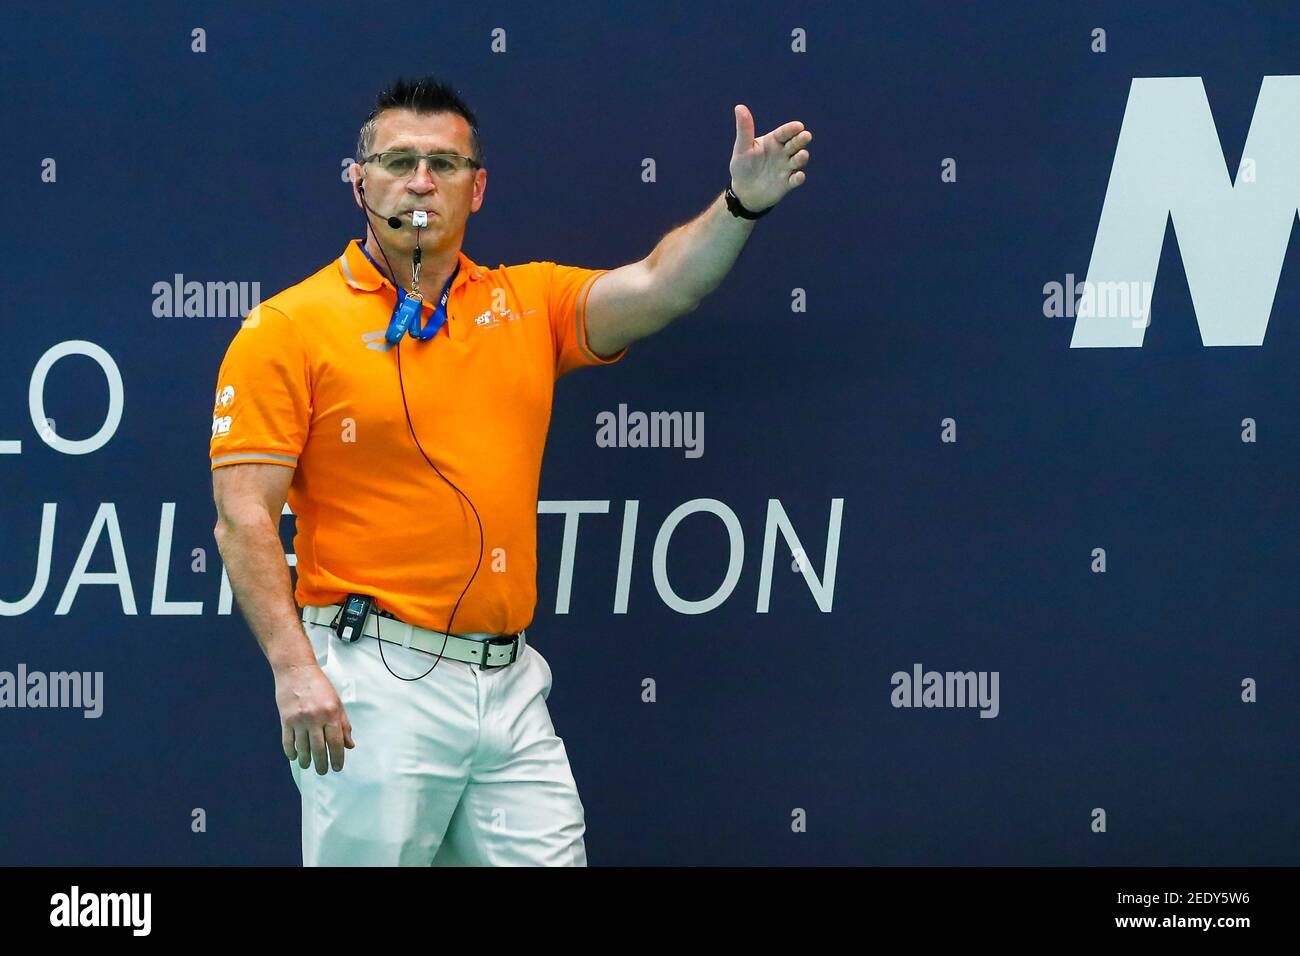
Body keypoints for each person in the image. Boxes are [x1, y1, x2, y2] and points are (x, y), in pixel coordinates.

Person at [209, 75, 813, 866]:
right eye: (397, 161)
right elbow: (244, 515)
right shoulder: (286, 326)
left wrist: (738, 206)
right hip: (372, 680)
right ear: (359, 182)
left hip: (509, 678)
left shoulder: (527, 302)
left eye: (445, 163)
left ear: (478, 187)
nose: (421, 180)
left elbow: (662, 285)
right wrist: (295, 670)